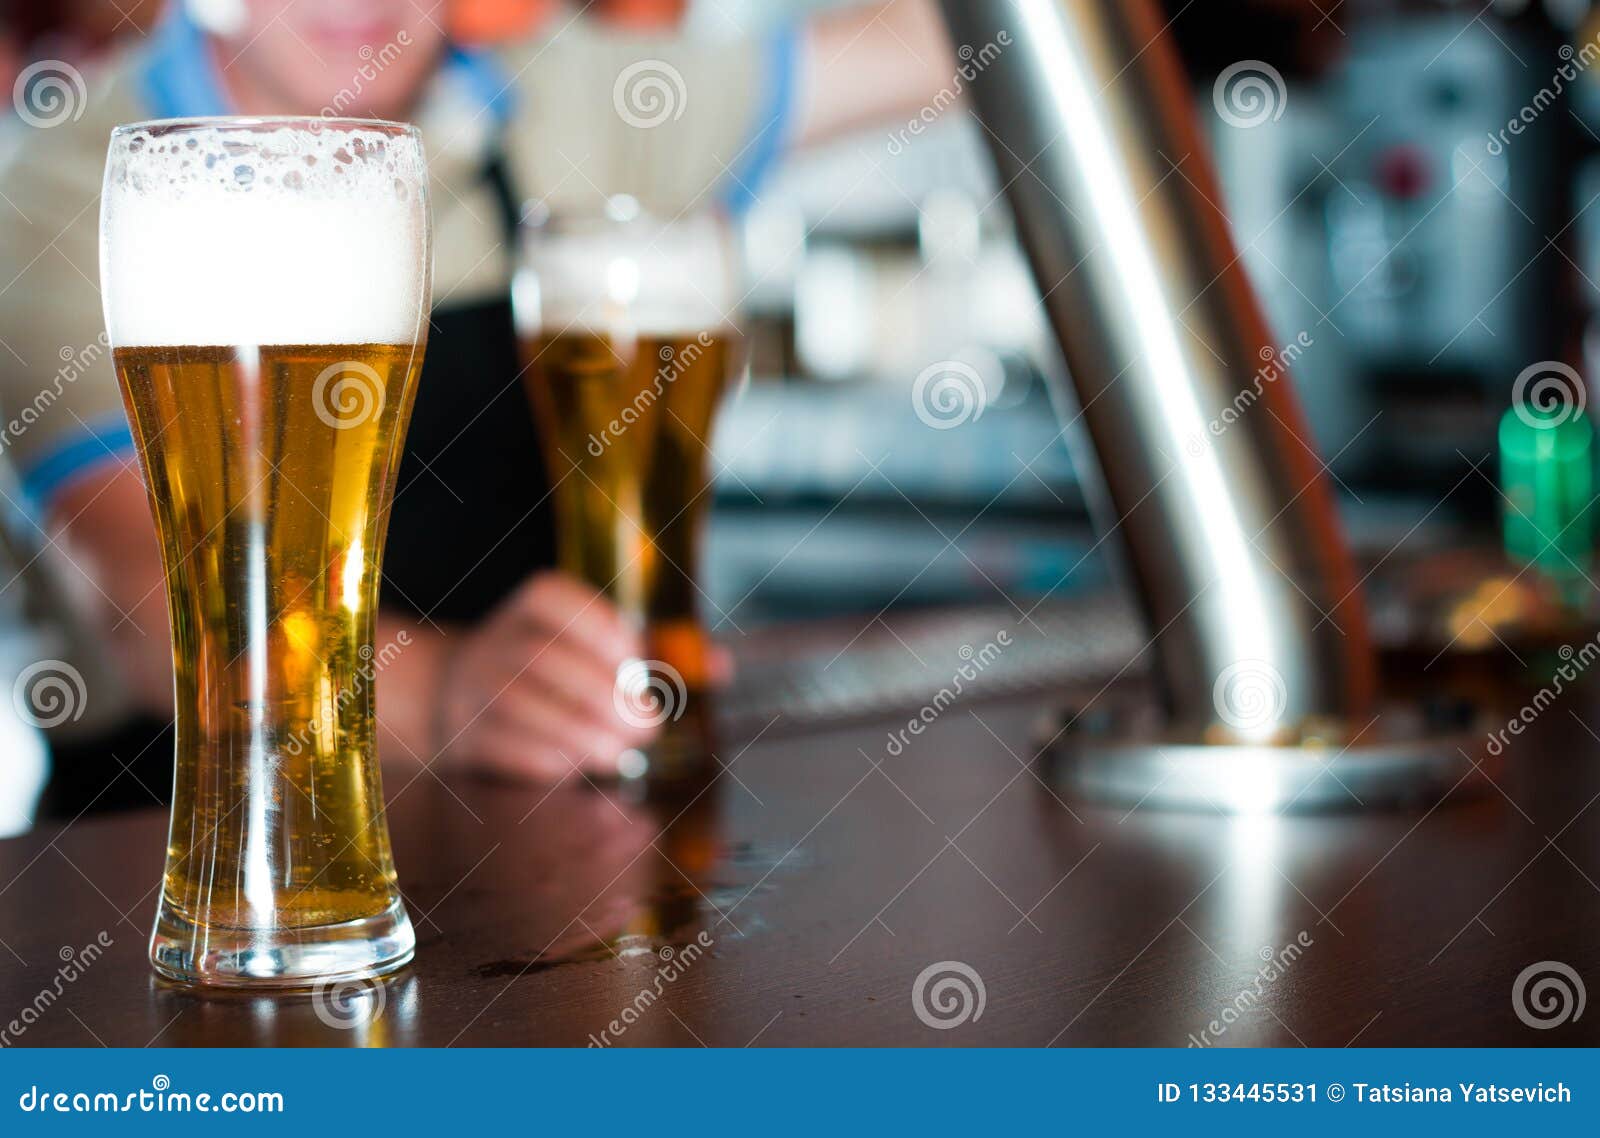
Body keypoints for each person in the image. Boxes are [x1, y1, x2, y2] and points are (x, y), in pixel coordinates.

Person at [0, 0, 950, 813]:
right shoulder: (75, 185)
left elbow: (943, 47)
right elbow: (139, 594)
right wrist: (444, 692)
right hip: (177, 842)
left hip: (547, 833)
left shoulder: (552, 105)